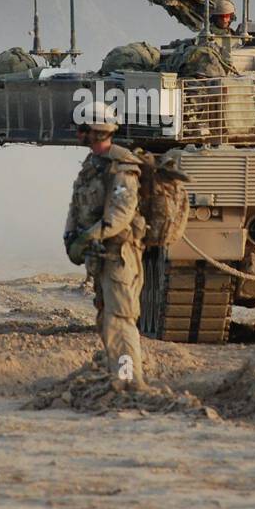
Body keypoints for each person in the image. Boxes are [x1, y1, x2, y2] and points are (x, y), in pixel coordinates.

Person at [64, 103, 149, 391]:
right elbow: (77, 205)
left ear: (96, 131)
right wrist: (70, 237)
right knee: (105, 319)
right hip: (101, 257)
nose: (78, 135)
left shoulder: (122, 167)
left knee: (121, 320)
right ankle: (118, 375)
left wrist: (86, 237)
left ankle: (130, 382)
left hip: (120, 256)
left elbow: (120, 214)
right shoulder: (92, 166)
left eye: (83, 130)